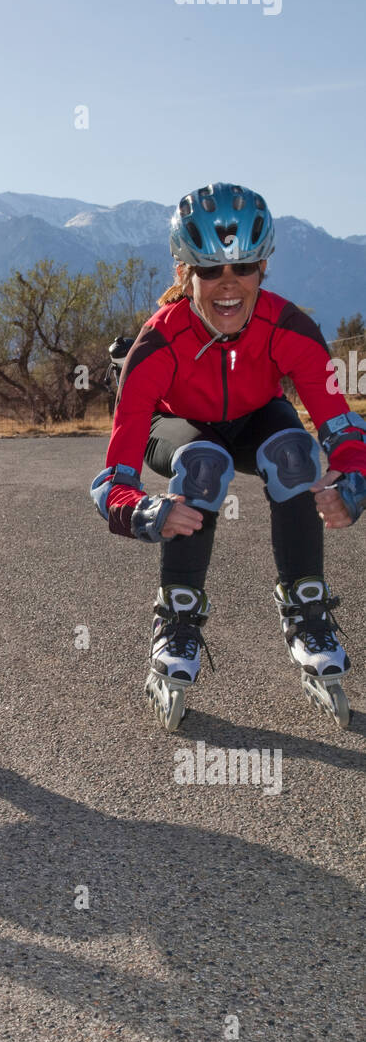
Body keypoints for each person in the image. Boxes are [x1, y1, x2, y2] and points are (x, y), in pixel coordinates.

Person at [90, 182, 366, 726]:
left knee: (297, 455)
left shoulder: (291, 328)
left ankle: (308, 609)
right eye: (211, 271)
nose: (228, 285)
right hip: (176, 425)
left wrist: (355, 483)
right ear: (184, 272)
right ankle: (178, 616)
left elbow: (343, 428)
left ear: (264, 267)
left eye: (243, 267)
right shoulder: (155, 344)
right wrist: (146, 512)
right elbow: (112, 480)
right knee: (204, 464)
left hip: (256, 416)